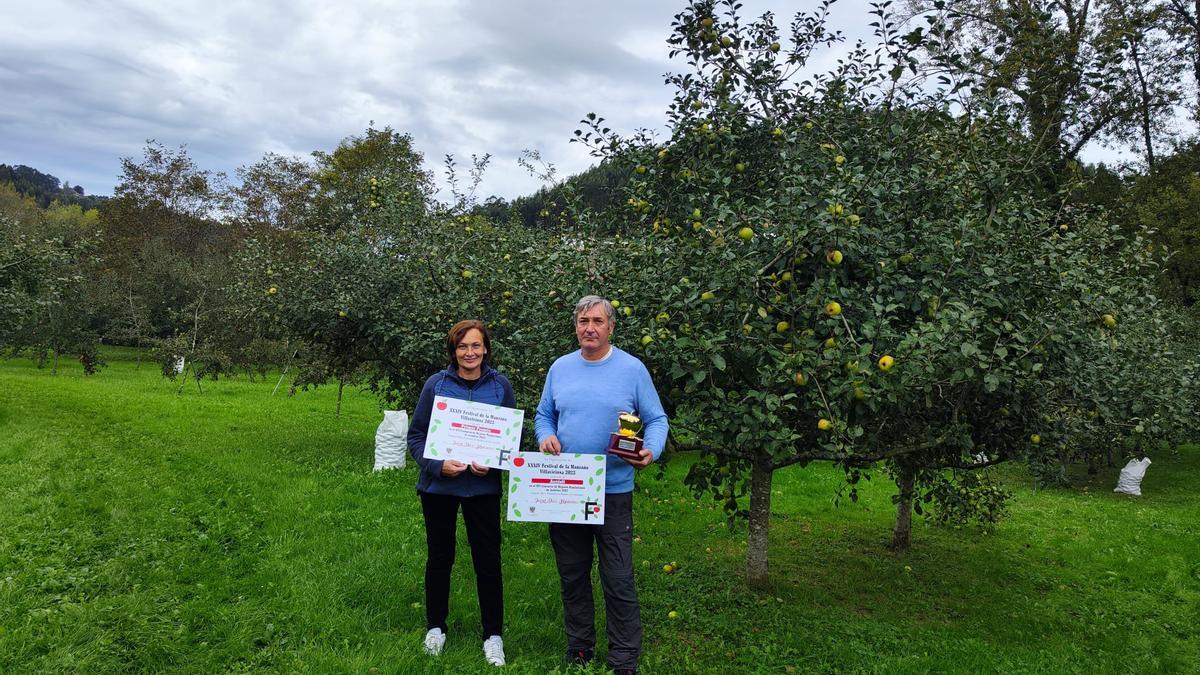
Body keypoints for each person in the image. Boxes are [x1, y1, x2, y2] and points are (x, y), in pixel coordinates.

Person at [535, 295, 669, 675]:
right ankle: (579, 648)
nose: (589, 328)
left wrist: (651, 451)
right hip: (566, 489)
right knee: (573, 573)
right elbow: (544, 416)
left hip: (613, 489)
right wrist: (546, 436)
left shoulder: (632, 369)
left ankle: (624, 657)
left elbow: (657, 420)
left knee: (618, 575)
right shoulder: (559, 368)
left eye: (596, 321)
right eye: (582, 321)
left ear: (611, 327)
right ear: (575, 326)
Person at [407, 319, 513, 667]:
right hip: (439, 487)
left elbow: (509, 442)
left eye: (476, 346)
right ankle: (436, 628)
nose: (470, 353)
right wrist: (438, 466)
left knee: (488, 561)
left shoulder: (500, 387)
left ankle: (493, 635)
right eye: (463, 346)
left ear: (486, 349)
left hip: (482, 489)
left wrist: (493, 465)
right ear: (453, 351)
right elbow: (417, 437)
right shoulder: (436, 385)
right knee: (440, 558)